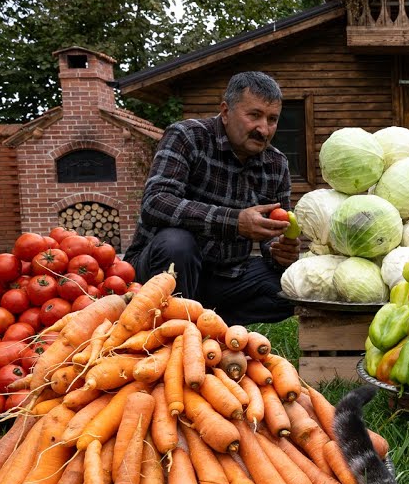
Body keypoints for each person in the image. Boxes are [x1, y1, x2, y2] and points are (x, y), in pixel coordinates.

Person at [124, 71, 299, 326]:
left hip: (225, 277)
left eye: (272, 119)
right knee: (177, 243)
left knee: (293, 286)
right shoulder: (188, 137)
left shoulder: (275, 164)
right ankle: (172, 327)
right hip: (163, 268)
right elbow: (156, 201)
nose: (264, 129)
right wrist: (234, 221)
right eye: (254, 115)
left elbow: (272, 237)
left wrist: (280, 251)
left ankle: (206, 323)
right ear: (226, 112)